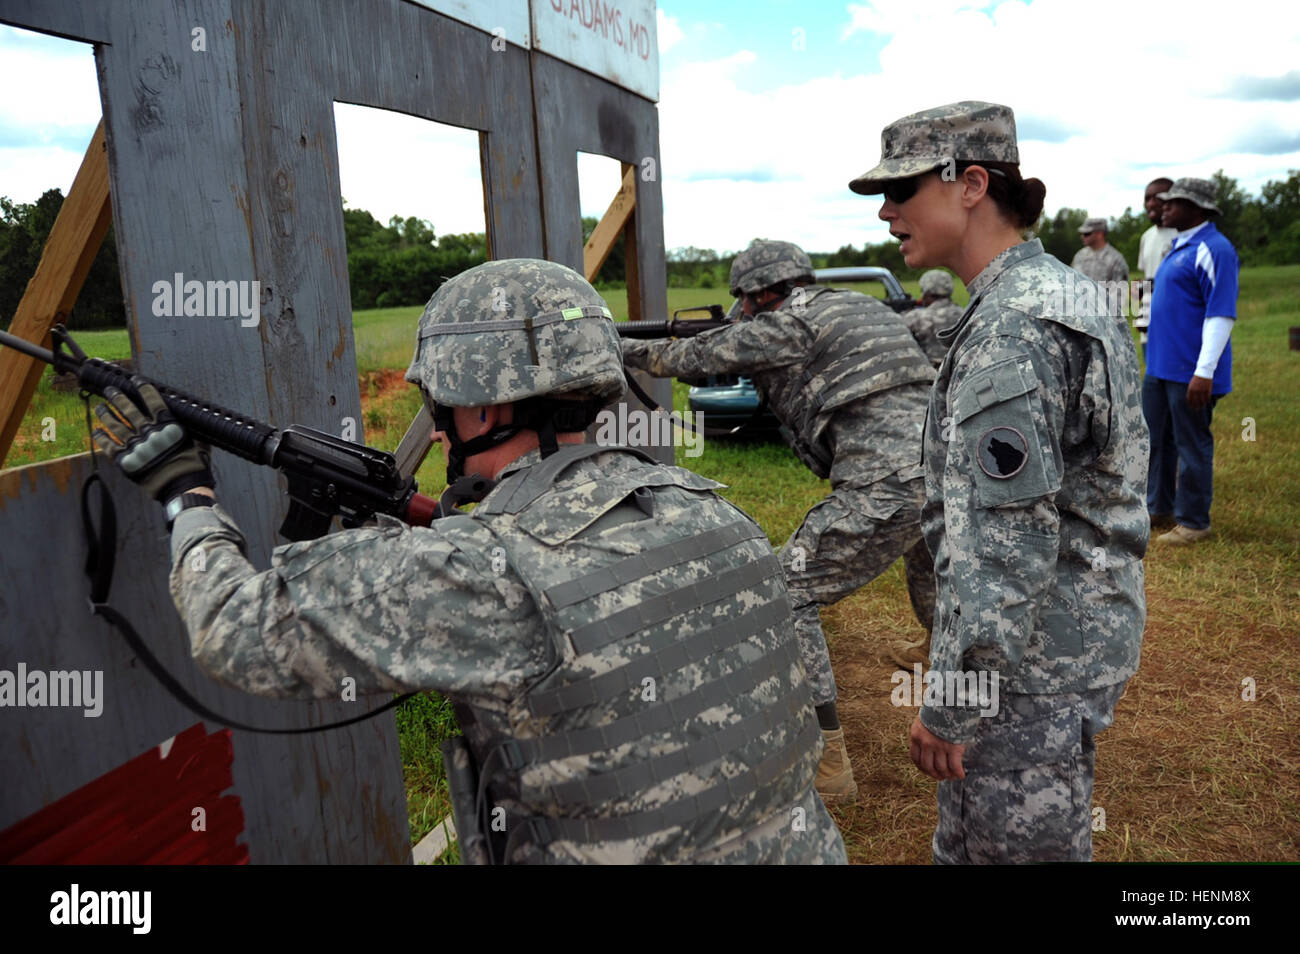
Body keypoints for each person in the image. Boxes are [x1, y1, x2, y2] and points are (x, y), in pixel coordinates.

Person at [89, 259, 847, 865]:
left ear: (481, 409)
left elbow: (235, 629)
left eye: (439, 408)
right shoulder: (718, 511)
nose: (440, 432)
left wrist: (184, 497)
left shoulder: (487, 570)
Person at [849, 100, 1149, 863]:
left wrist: (957, 699)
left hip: (1025, 671)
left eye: (902, 190)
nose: (886, 212)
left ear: (971, 183)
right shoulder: (1054, 294)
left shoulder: (1014, 326)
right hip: (1059, 647)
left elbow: (1005, 545)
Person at [622, 239, 938, 804]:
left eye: (745, 299)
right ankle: (946, 663)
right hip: (945, 468)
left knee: (784, 589)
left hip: (888, 482)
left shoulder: (788, 322)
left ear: (766, 291)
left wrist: (621, 349)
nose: (742, 309)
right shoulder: (856, 304)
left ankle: (825, 758)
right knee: (929, 554)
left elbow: (691, 361)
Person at [1144, 177, 1239, 545]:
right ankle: (1159, 508)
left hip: (1189, 371)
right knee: (1157, 441)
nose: (1163, 206)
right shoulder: (1177, 245)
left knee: (1191, 443)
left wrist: (1204, 372)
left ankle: (1195, 522)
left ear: (1197, 207)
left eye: (1173, 202)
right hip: (1160, 367)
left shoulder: (1215, 248)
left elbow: (1221, 314)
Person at [1135, 177, 1176, 358]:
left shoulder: (1180, 235)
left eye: (1157, 198)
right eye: (1147, 198)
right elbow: (1146, 281)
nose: (1151, 204)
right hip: (1149, 331)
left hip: (1173, 328)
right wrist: (1141, 313)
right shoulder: (1147, 237)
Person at [906, 269, 965, 368]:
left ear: (927, 292)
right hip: (959, 371)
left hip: (931, 375)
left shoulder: (916, 317)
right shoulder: (964, 313)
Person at [1071, 217, 1130, 286]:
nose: (1082, 236)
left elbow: (1119, 294)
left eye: (1087, 234)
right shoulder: (1079, 256)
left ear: (1100, 234)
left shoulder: (1116, 260)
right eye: (1082, 233)